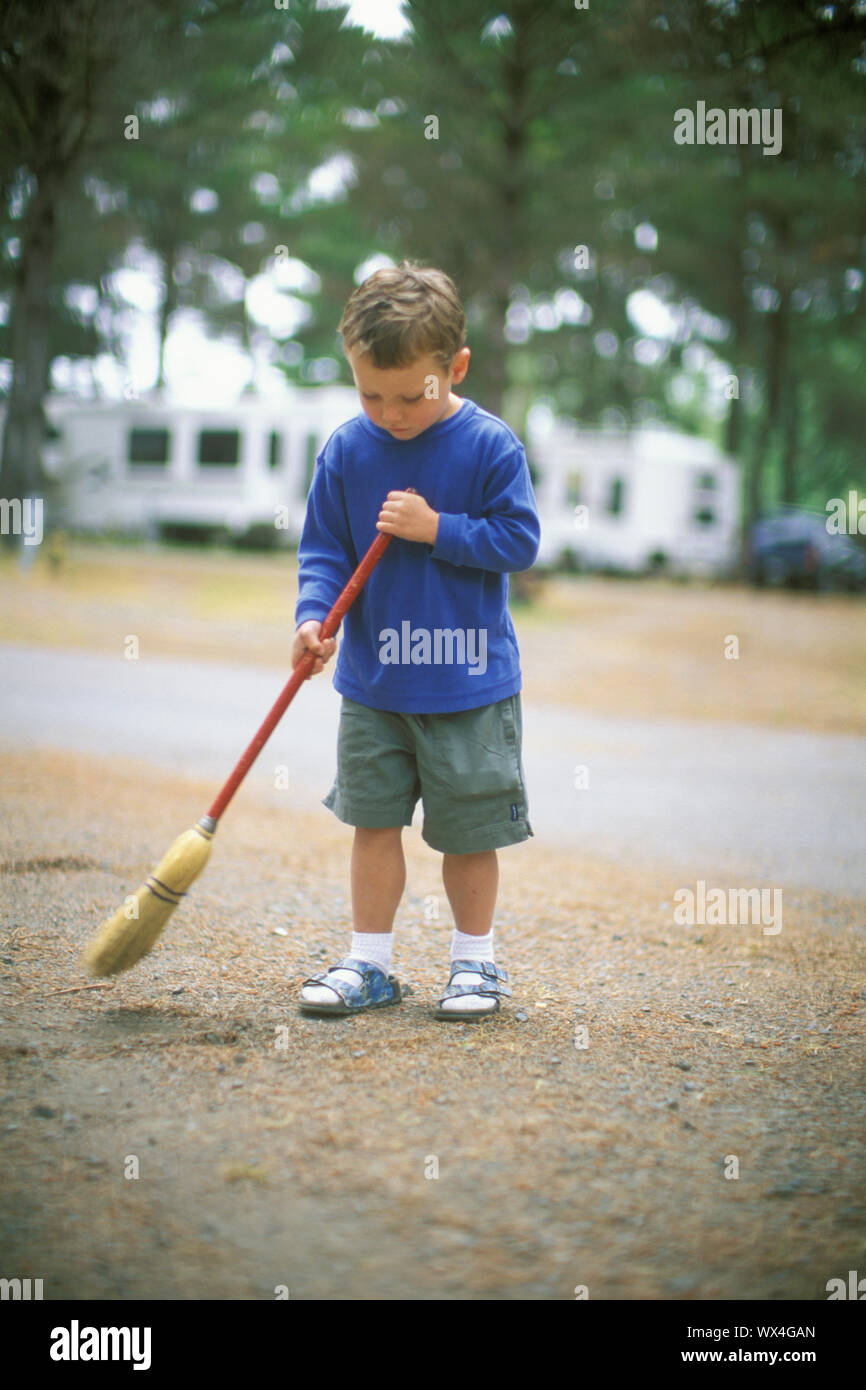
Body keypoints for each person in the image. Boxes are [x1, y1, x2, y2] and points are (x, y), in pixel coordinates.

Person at [292, 260, 539, 1020]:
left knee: (467, 833)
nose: (391, 413)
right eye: (371, 394)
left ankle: (475, 966)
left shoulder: (490, 446)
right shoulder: (346, 450)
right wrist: (313, 615)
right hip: (374, 685)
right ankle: (370, 964)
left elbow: (519, 541)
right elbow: (325, 550)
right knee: (373, 823)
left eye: (411, 395)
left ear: (454, 368)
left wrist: (439, 531)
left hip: (468, 685)